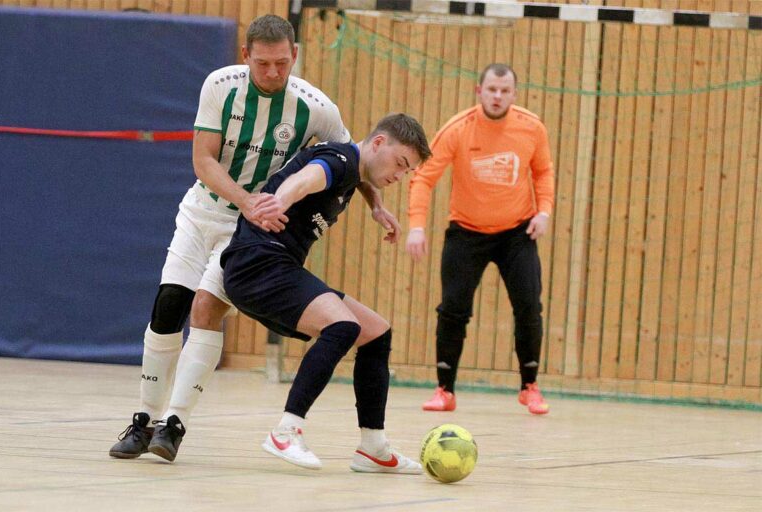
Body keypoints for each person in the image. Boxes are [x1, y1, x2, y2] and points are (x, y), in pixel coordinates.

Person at [110, 14, 400, 462]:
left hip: (251, 226)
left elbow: (352, 160)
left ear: (295, 56)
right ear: (246, 56)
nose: (273, 73)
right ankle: (144, 419)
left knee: (206, 308)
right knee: (168, 305)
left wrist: (375, 202)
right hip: (208, 207)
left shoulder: (317, 107)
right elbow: (203, 161)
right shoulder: (220, 86)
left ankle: (174, 423)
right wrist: (246, 199)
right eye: (263, 64)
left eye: (282, 63)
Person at [222, 113, 432, 472]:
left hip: (275, 268)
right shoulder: (340, 161)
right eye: (400, 163)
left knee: (375, 333)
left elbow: (361, 176)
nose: (400, 175)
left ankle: (372, 447)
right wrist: (279, 201)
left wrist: (377, 205)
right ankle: (286, 431)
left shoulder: (354, 169)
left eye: (408, 171)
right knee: (342, 327)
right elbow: (308, 178)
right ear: (379, 143)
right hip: (257, 265)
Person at [406, 63, 554, 415]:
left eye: (505, 91)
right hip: (466, 233)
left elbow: (543, 171)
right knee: (453, 311)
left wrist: (544, 211)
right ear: (479, 91)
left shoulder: (531, 127)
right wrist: (416, 225)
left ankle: (529, 386)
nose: (498, 96)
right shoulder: (459, 129)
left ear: (515, 95)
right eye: (492, 90)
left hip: (517, 233)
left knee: (529, 307)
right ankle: (444, 390)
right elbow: (424, 176)